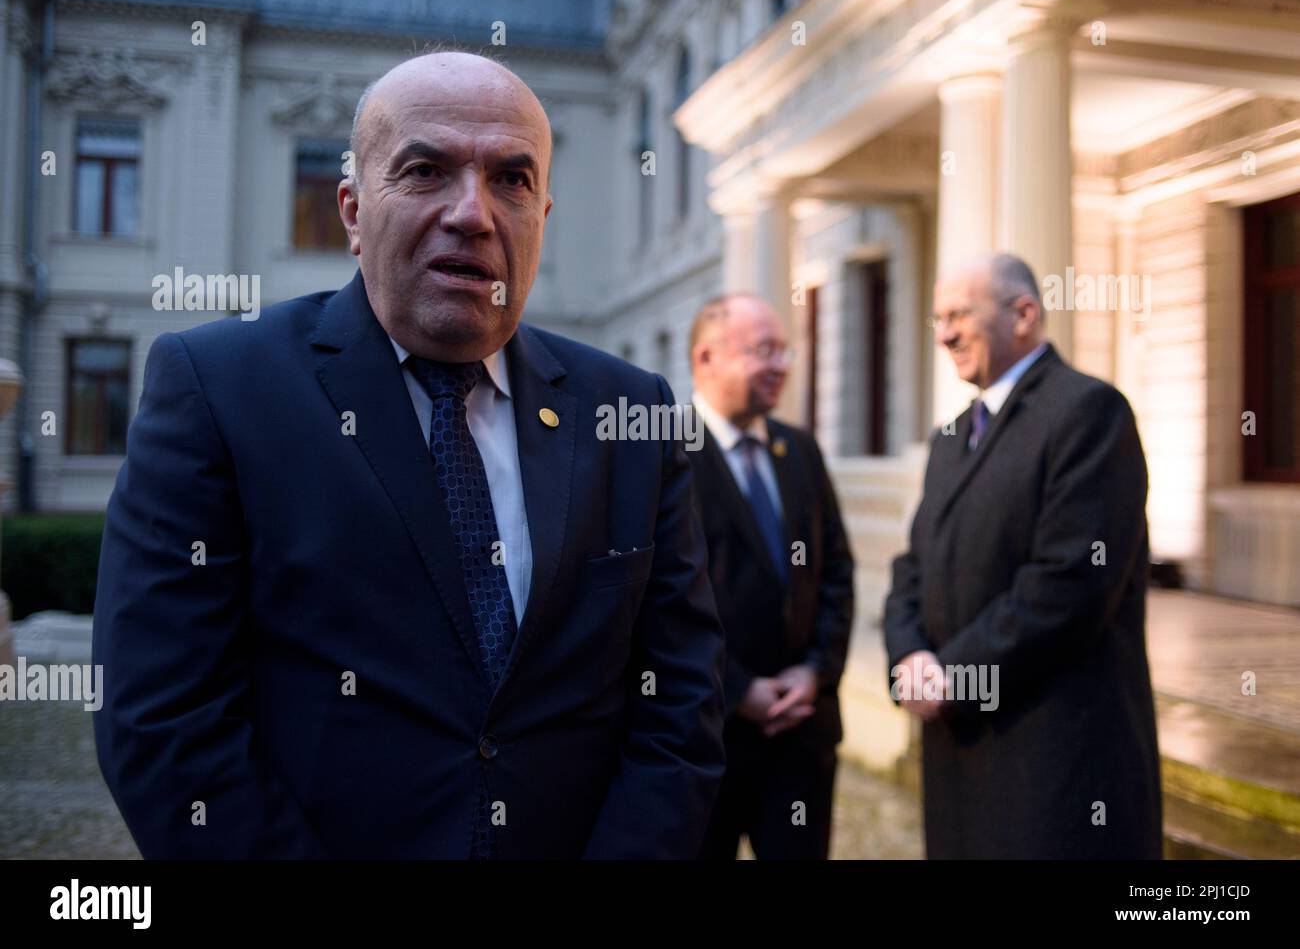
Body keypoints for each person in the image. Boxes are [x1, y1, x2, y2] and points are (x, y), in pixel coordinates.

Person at [92, 50, 726, 859]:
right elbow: (164, 719)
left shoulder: (631, 411)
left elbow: (681, 700)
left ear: (542, 213)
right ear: (354, 211)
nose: (473, 213)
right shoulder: (218, 389)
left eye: (511, 179)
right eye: (426, 171)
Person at [883, 253, 1162, 858]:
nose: (945, 334)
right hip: (960, 756)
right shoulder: (951, 436)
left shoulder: (1089, 412)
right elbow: (913, 566)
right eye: (937, 319)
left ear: (1025, 314)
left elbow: (1070, 584)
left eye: (959, 315)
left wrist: (955, 673)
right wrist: (907, 656)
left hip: (1053, 760)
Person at [687, 294, 854, 859]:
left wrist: (815, 670)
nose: (781, 365)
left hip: (799, 739)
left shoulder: (800, 449)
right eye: (763, 351)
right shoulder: (662, 453)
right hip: (701, 741)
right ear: (706, 357)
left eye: (785, 350)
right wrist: (737, 691)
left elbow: (836, 571)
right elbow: (649, 604)